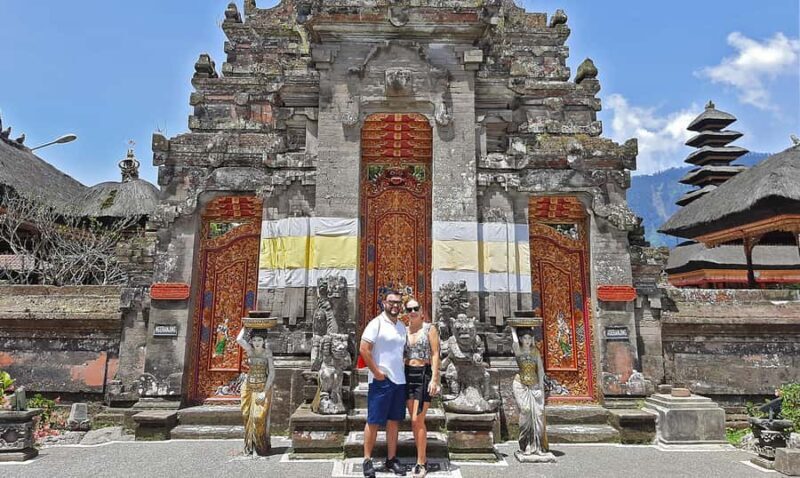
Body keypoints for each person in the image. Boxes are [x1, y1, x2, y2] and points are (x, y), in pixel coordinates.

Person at [359, 291, 408, 477]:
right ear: (383, 303)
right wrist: (377, 372)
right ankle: (367, 459)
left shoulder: (402, 326)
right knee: (373, 421)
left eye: (398, 302)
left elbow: (401, 351)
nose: (395, 305)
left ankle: (391, 458)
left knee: (394, 421)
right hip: (381, 381)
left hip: (399, 380)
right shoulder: (376, 323)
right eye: (391, 302)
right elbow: (364, 349)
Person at [403, 299, 441, 478]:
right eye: (409, 309)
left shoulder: (429, 329)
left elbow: (435, 354)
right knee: (414, 420)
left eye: (415, 308)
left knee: (418, 419)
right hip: (407, 374)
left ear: (421, 311)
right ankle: (421, 458)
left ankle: (421, 463)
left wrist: (434, 378)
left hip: (423, 375)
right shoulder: (403, 331)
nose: (412, 311)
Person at [511, 327, 551, 460]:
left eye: (529, 338)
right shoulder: (518, 350)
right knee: (526, 410)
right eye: (524, 338)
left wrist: (540, 388)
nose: (527, 341)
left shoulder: (535, 352)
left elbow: (540, 370)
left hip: (534, 385)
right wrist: (513, 329)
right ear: (521, 339)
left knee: (538, 415)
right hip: (520, 385)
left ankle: (537, 446)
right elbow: (514, 342)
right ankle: (525, 445)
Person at [236, 325, 276, 456]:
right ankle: (250, 446)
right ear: (251, 341)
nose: (257, 343)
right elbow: (239, 339)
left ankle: (261, 446)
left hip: (261, 387)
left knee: (258, 417)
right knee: (246, 414)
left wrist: (264, 392)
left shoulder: (267, 353)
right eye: (254, 340)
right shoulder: (250, 350)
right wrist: (245, 326)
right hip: (248, 387)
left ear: (264, 341)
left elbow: (271, 374)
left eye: (259, 340)